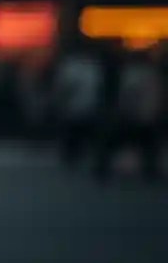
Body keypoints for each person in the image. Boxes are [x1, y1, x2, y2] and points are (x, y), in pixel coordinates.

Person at [96, 51, 162, 182]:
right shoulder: (152, 74)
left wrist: (124, 108)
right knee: (148, 144)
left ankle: (102, 167)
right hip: (147, 114)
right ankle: (151, 170)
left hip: (133, 114)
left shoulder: (133, 73)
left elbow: (129, 92)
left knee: (114, 141)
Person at [55, 45, 103, 170]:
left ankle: (75, 155)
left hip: (82, 107)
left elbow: (64, 86)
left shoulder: (83, 67)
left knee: (76, 132)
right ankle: (74, 155)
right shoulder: (87, 67)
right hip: (79, 106)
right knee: (74, 133)